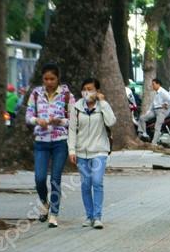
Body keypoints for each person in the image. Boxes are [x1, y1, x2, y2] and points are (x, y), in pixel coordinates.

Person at [25, 63, 74, 228]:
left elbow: (74, 119)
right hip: (41, 141)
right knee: (39, 178)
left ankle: (54, 213)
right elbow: (28, 115)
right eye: (46, 78)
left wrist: (59, 121)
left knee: (55, 178)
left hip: (60, 141)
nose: (49, 82)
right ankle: (44, 203)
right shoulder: (36, 94)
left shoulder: (67, 95)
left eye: (52, 78)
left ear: (58, 78)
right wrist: (37, 120)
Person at [68, 78, 116, 229]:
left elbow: (111, 122)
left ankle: (97, 217)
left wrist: (102, 103)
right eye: (84, 89)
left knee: (97, 182)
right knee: (85, 184)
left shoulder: (103, 106)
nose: (87, 92)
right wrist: (71, 150)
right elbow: (71, 130)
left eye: (90, 89)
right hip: (82, 152)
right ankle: (89, 216)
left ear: (97, 91)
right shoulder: (76, 107)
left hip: (100, 150)